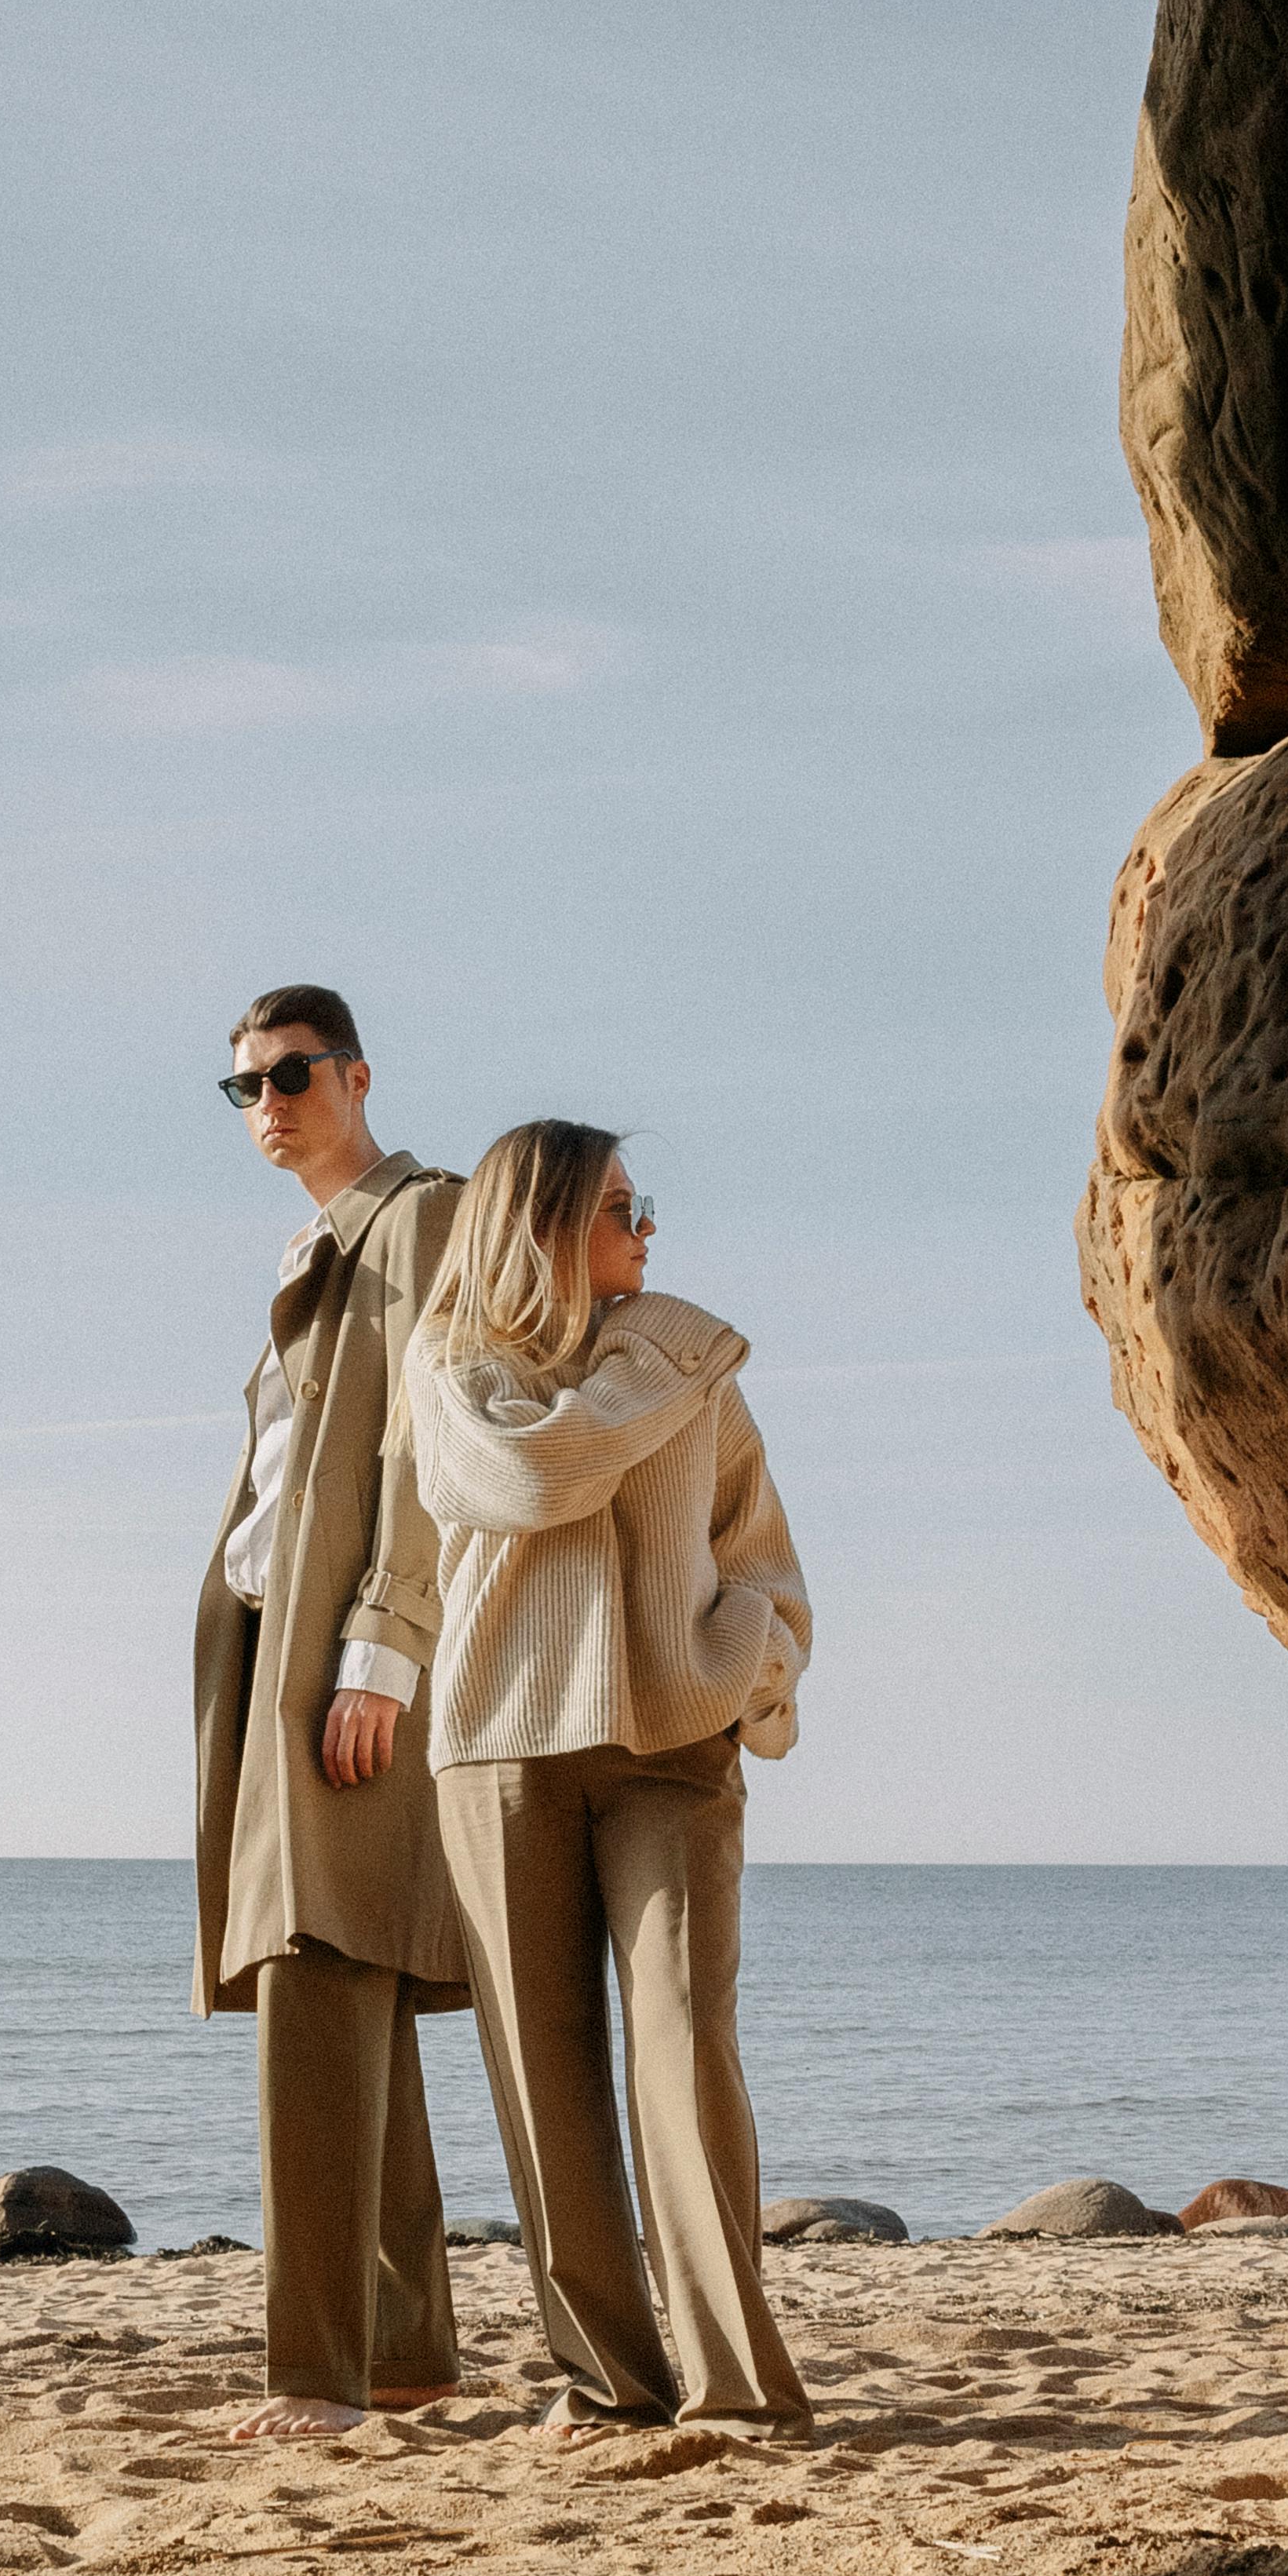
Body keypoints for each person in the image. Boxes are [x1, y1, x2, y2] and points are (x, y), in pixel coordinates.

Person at [405, 1121, 811, 2439]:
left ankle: (737, 2390)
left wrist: (747, 1658)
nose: (649, 1230)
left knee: (687, 2044)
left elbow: (762, 1556)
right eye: (623, 1207)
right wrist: (659, 1370)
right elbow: (533, 1476)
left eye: (650, 1205)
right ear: (544, 1224)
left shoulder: (696, 1365)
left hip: (675, 1747)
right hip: (502, 1741)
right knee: (544, 2071)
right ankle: (610, 2383)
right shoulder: (458, 1361)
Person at [193, 987, 469, 2440]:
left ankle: (316, 2373)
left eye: (292, 1076)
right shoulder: (316, 1241)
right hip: (267, 1642)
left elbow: (433, 1439)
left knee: (316, 1967)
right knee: (351, 1980)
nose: (268, 1105)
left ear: (358, 1074)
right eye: (242, 1088)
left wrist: (383, 1643)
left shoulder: (419, 1216)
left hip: (342, 1651)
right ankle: (408, 2351)